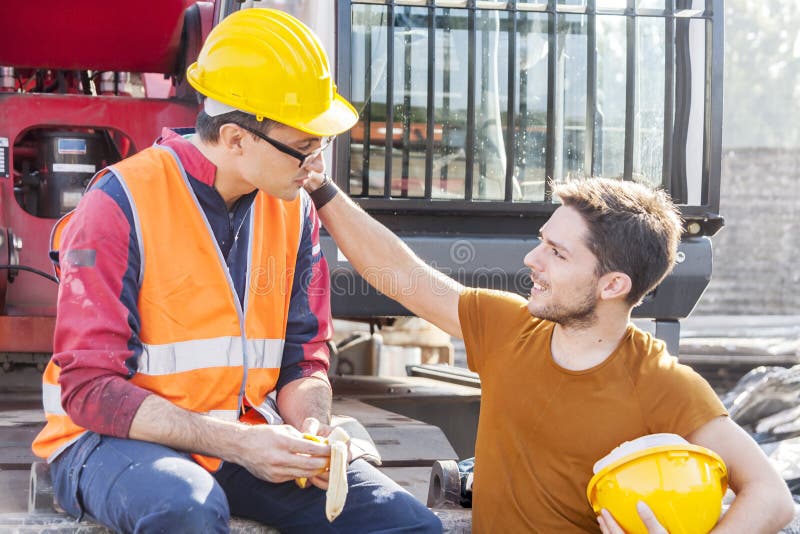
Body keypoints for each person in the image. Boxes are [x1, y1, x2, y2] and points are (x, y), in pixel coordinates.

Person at [31, 8, 441, 533]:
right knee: (185, 508)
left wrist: (313, 429)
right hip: (112, 441)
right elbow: (89, 389)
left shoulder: (295, 210)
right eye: (302, 148)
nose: (316, 166)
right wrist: (239, 443)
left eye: (321, 144)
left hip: (241, 439)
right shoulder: (119, 203)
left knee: (407, 523)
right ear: (234, 139)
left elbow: (303, 359)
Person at [303, 174, 795, 532]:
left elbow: (772, 497)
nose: (532, 259)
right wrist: (322, 187)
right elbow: (399, 274)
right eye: (542, 242)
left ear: (613, 285)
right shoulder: (508, 326)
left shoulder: (662, 383)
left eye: (557, 253)